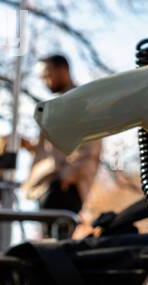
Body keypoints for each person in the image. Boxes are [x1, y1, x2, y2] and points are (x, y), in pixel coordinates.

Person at [21, 53, 100, 214]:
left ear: (63, 70)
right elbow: (55, 148)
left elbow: (90, 144)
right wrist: (31, 147)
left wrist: (67, 177)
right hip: (48, 184)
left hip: (63, 187)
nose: (45, 81)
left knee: (58, 236)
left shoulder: (80, 101)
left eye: (47, 75)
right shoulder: (56, 104)